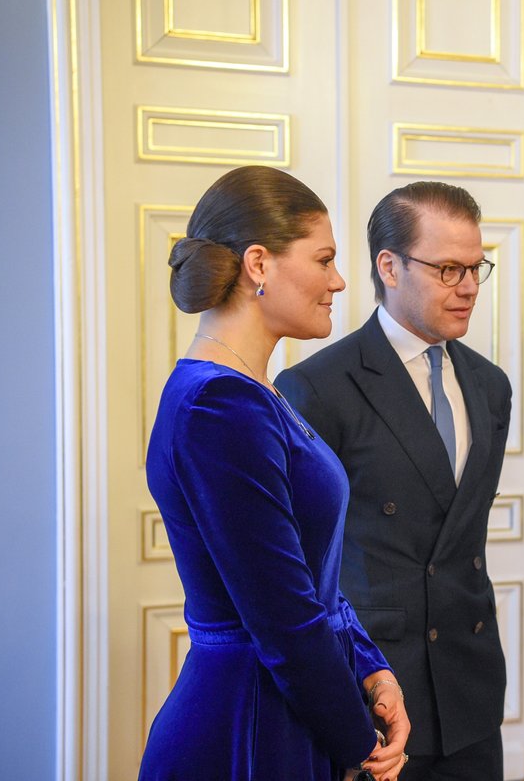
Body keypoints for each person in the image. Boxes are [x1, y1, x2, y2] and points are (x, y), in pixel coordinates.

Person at [141, 166, 410, 781]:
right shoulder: (219, 407)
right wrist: (356, 744)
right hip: (254, 723)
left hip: (288, 705)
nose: (340, 281)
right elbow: (284, 619)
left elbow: (310, 572)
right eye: (324, 259)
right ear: (258, 264)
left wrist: (371, 667)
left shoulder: (253, 392)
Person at [275, 181, 511, 780]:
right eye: (448, 269)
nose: (468, 288)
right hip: (377, 685)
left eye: (476, 267)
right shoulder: (317, 388)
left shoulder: (491, 386)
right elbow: (298, 566)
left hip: (471, 682)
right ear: (390, 267)